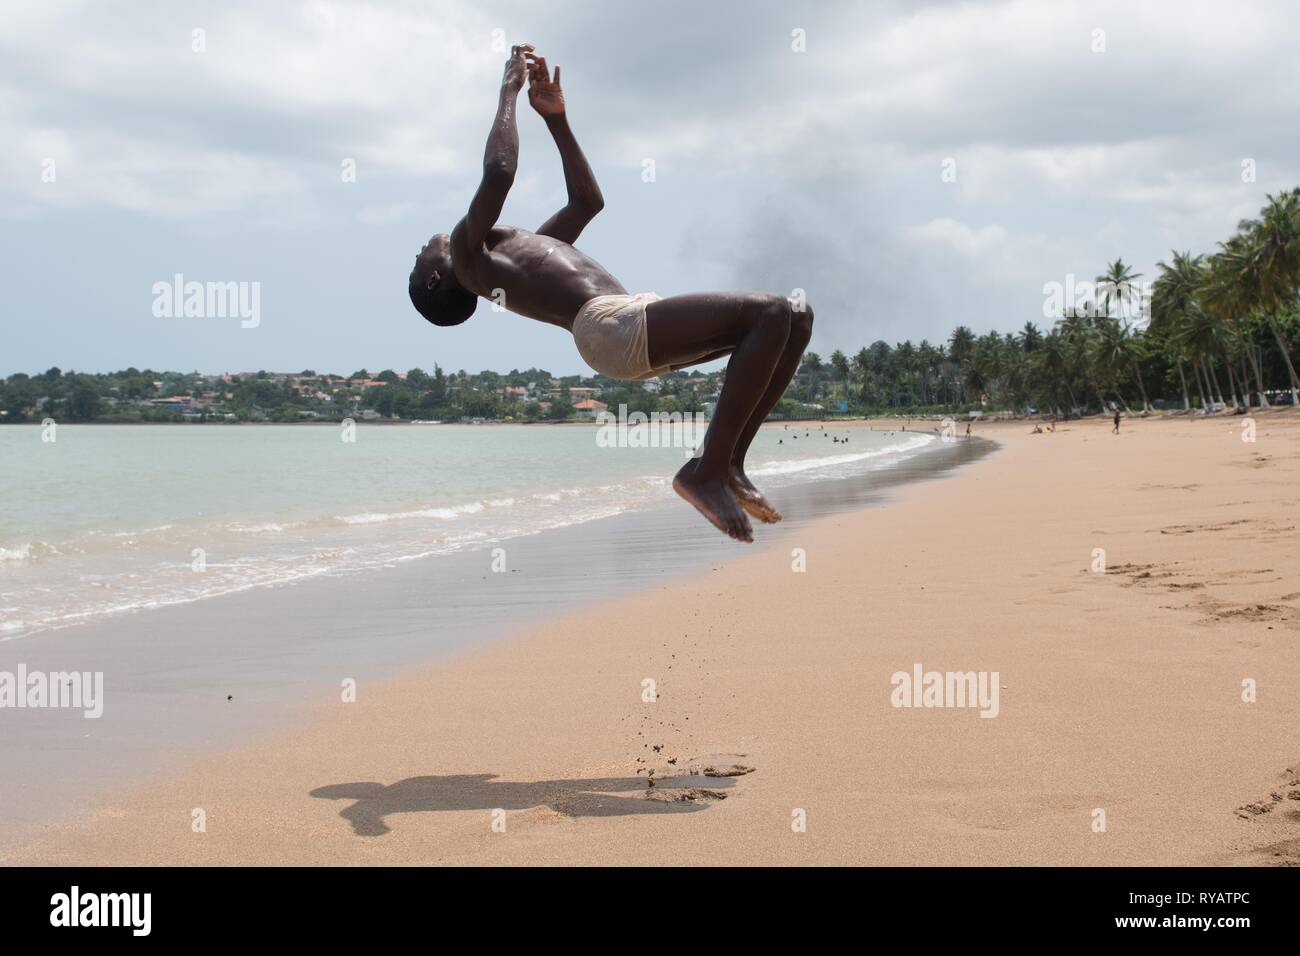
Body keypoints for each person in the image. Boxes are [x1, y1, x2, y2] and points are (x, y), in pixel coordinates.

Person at [409, 46, 812, 543]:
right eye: (417, 257)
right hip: (609, 328)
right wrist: (506, 93)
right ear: (435, 279)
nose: (422, 246)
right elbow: (498, 173)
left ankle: (726, 465)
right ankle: (706, 471)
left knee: (795, 314)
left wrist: (555, 119)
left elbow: (587, 201)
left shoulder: (516, 258)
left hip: (623, 325)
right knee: (771, 311)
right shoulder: (469, 261)